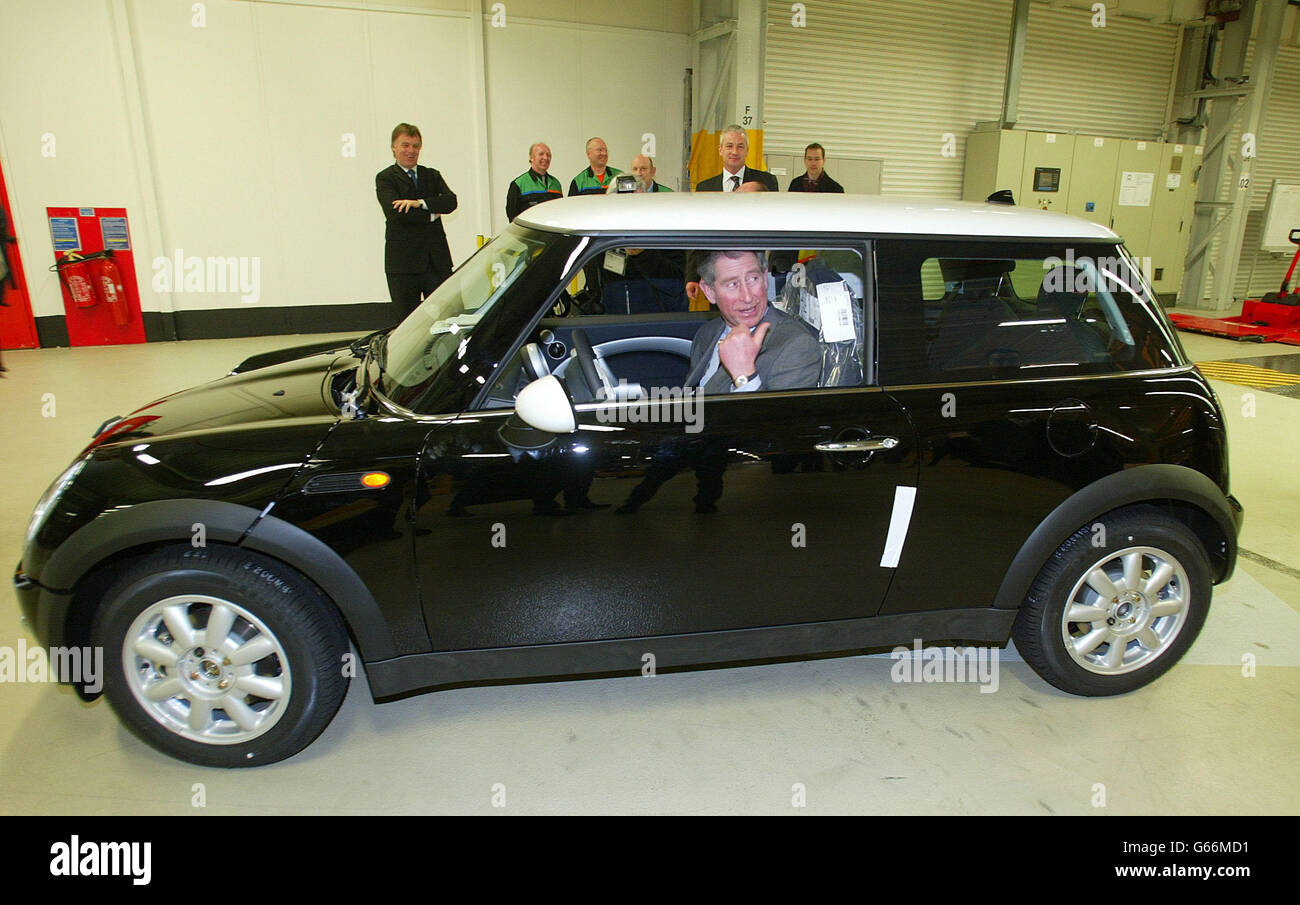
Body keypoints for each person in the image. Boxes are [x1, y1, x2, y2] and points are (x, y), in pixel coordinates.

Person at [684, 250, 820, 393]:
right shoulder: (708, 331)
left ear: (765, 279)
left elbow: (783, 415)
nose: (748, 297)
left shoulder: (797, 346)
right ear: (709, 292)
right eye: (732, 284)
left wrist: (744, 376)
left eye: (753, 279)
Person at [376, 123, 458, 322]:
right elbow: (397, 215)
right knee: (407, 325)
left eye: (415, 146)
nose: (411, 151)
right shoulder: (385, 178)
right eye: (405, 145)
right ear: (393, 148)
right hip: (403, 265)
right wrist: (431, 213)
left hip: (436, 262)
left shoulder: (432, 175)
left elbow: (450, 202)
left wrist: (418, 203)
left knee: (448, 319)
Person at [694, 126, 779, 192]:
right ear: (720, 150)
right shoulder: (704, 188)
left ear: (747, 151)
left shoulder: (767, 181)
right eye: (729, 146)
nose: (734, 152)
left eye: (740, 147)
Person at [506, 142, 563, 221]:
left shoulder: (556, 184)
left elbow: (560, 213)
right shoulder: (518, 184)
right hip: (529, 233)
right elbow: (512, 217)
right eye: (541, 154)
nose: (546, 158)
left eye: (548, 155)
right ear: (531, 158)